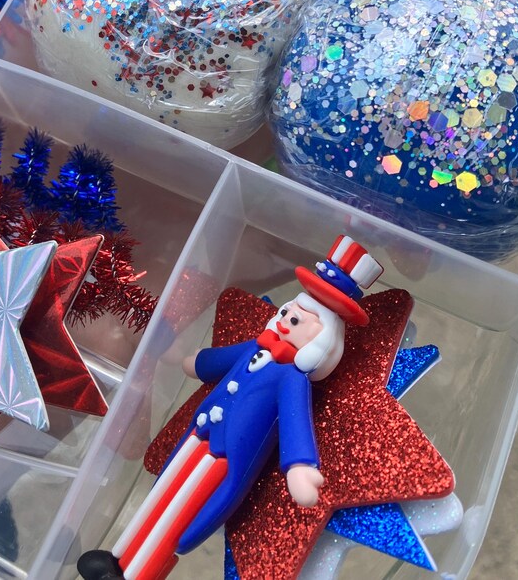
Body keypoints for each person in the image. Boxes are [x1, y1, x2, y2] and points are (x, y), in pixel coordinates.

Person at [77, 235, 384, 580]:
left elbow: (295, 421)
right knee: (161, 493)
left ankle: (139, 572)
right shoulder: (258, 346)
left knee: (182, 516)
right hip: (199, 434)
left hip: (225, 459)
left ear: (322, 338)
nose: (285, 320)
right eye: (287, 312)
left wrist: (299, 466)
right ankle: (117, 556)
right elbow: (223, 359)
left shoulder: (293, 378)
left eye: (297, 321)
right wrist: (199, 363)